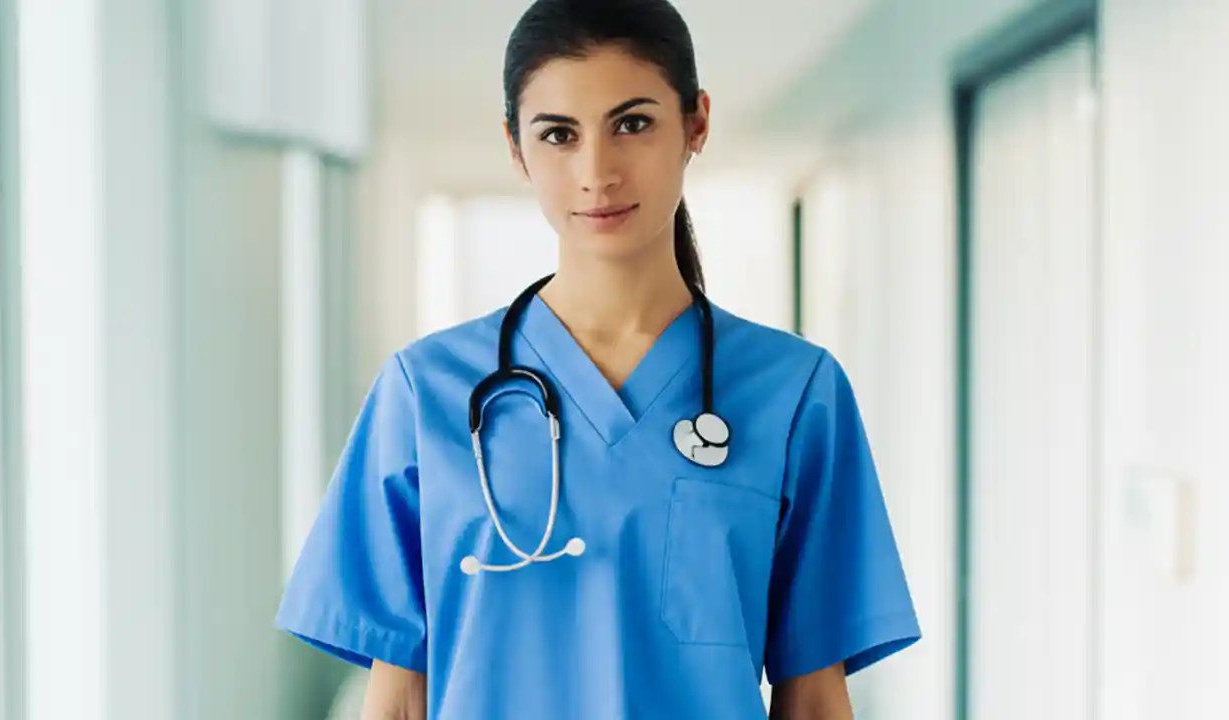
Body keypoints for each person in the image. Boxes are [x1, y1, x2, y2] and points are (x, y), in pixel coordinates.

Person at [274, 0, 921, 717]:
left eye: (633, 123)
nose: (596, 171)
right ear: (516, 147)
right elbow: (396, 697)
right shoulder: (427, 392)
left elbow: (815, 699)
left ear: (695, 123)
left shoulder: (795, 393)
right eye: (558, 134)